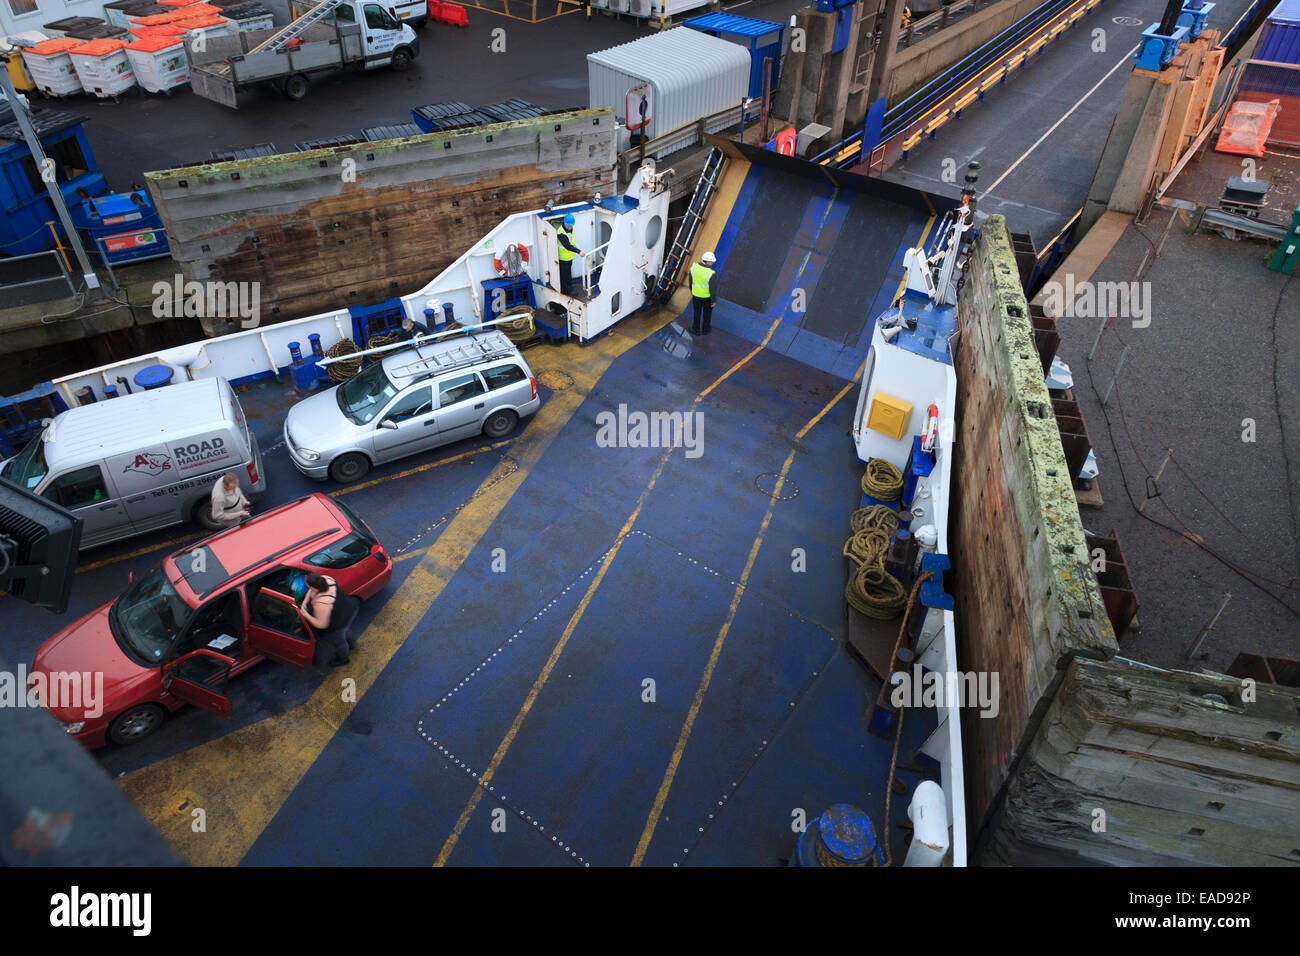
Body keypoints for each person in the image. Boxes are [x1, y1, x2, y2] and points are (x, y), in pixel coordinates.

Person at [299, 572, 360, 668]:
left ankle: (343, 659)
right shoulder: (326, 579)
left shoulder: (322, 603)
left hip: (337, 623)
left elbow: (322, 624)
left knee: (339, 642)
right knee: (345, 631)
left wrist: (306, 615)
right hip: (347, 610)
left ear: (313, 587)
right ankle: (352, 643)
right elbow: (311, 590)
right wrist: (305, 602)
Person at [690, 251, 718, 335]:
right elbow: (713, 289)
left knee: (696, 312)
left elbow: (690, 280)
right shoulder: (711, 273)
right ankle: (705, 330)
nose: (713, 262)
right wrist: (713, 301)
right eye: (712, 261)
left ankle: (695, 329)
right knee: (707, 314)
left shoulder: (694, 267)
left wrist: (692, 290)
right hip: (707, 298)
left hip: (696, 296)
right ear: (708, 261)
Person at [557, 213, 580, 295]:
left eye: (571, 225)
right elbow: (567, 246)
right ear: (564, 223)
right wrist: (579, 251)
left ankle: (569, 287)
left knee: (568, 274)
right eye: (568, 225)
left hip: (569, 257)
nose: (570, 227)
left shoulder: (569, 229)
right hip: (563, 258)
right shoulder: (561, 233)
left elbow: (571, 242)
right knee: (564, 276)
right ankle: (566, 291)